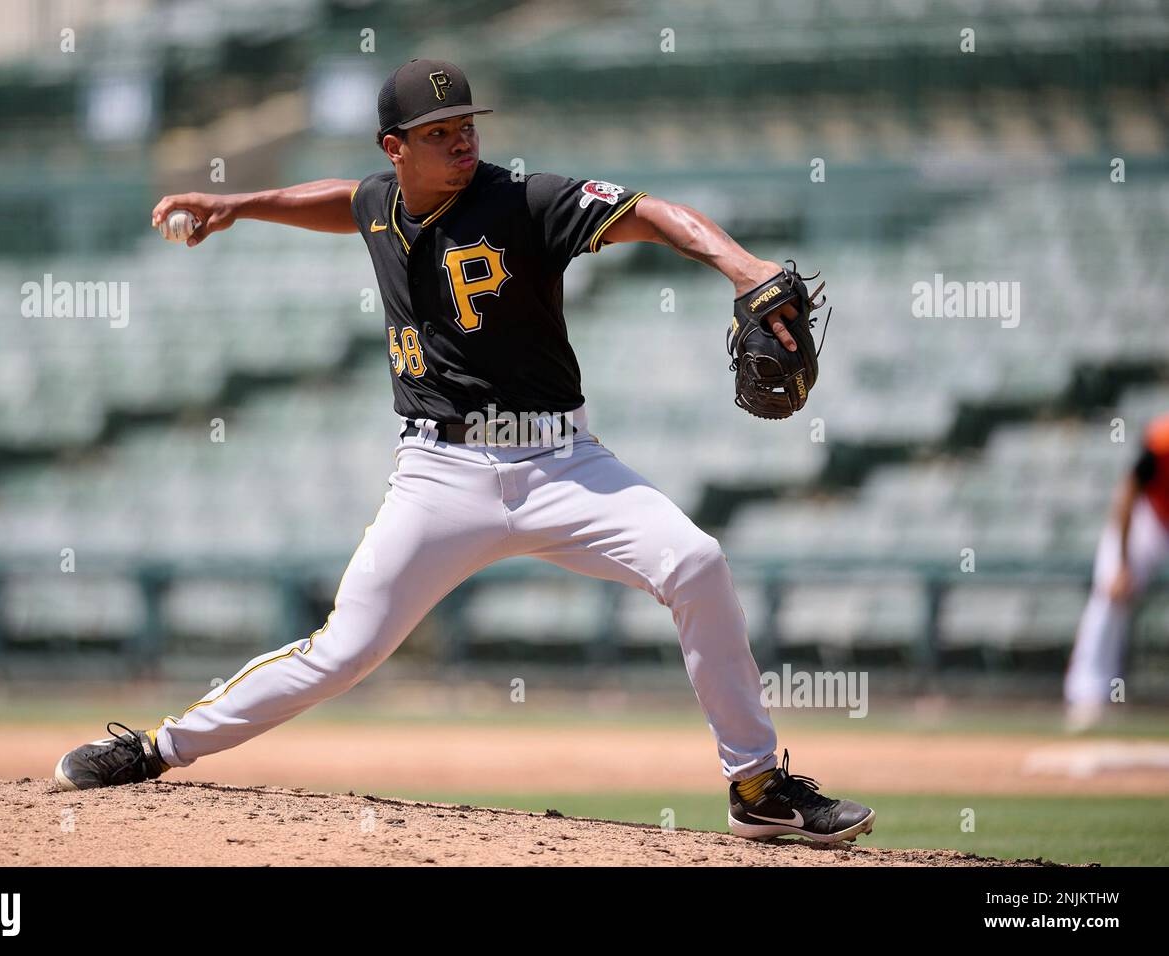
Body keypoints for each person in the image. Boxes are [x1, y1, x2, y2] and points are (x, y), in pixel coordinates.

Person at [52, 58, 875, 843]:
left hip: (562, 464)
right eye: (438, 129)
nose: (461, 139)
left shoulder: (525, 200)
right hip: (437, 475)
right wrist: (241, 204)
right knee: (341, 653)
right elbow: (345, 201)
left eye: (465, 124)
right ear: (395, 146)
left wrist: (742, 266)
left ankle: (759, 788)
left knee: (694, 562)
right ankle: (157, 748)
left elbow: (651, 213)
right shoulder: (383, 202)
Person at [1064, 413, 1169, 731]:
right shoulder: (1163, 440)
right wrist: (1122, 563)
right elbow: (1128, 494)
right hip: (1150, 520)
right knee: (1110, 594)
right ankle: (1089, 695)